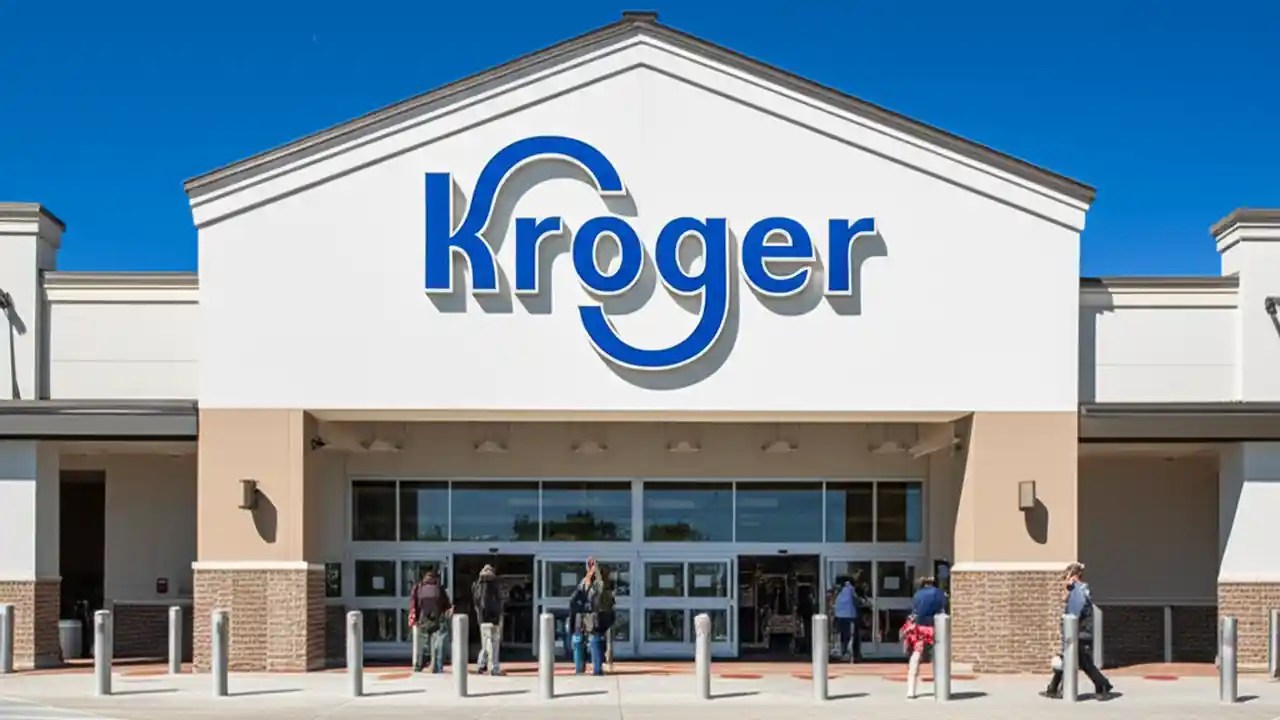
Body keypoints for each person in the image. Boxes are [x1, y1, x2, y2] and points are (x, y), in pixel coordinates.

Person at [1042, 562, 1115, 700]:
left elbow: (1073, 615)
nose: (1064, 582)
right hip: (1079, 633)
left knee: (1072, 660)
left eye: (1066, 577)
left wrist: (1069, 630)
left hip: (1078, 634)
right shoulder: (1078, 591)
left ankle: (1102, 685)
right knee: (1078, 661)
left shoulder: (1078, 591)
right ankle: (1101, 685)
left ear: (1074, 577)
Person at [903, 576, 946, 699]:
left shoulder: (918, 594)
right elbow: (943, 609)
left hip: (920, 629)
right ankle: (941, 688)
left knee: (916, 656)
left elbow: (915, 611)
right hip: (936, 628)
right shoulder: (939, 594)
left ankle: (911, 689)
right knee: (939, 658)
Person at [408, 569, 452, 674]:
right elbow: (446, 605)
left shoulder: (418, 588)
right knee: (436, 645)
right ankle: (436, 666)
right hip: (437, 619)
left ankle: (418, 665)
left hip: (423, 619)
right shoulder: (439, 589)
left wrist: (415, 618)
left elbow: (414, 604)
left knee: (422, 644)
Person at [572, 557, 605, 676]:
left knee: (589, 640)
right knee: (584, 640)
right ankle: (584, 668)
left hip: (587, 614)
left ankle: (588, 668)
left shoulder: (596, 582)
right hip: (588, 614)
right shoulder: (589, 582)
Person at [472, 564, 504, 675]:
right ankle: (494, 667)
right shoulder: (495, 584)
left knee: (485, 643)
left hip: (482, 618)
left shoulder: (477, 585)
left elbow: (476, 602)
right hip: (493, 617)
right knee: (494, 644)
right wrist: (499, 615)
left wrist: (479, 614)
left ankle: (481, 665)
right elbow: (499, 601)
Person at [596, 565, 617, 672]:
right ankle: (603, 658)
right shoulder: (599, 584)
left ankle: (607, 657)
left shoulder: (608, 584)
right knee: (601, 638)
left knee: (606, 638)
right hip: (602, 614)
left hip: (606, 613)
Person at [833, 578, 859, 662]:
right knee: (850, 635)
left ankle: (842, 652)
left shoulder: (838, 590)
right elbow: (855, 599)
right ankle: (849, 654)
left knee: (842, 635)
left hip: (839, 615)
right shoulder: (851, 589)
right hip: (850, 616)